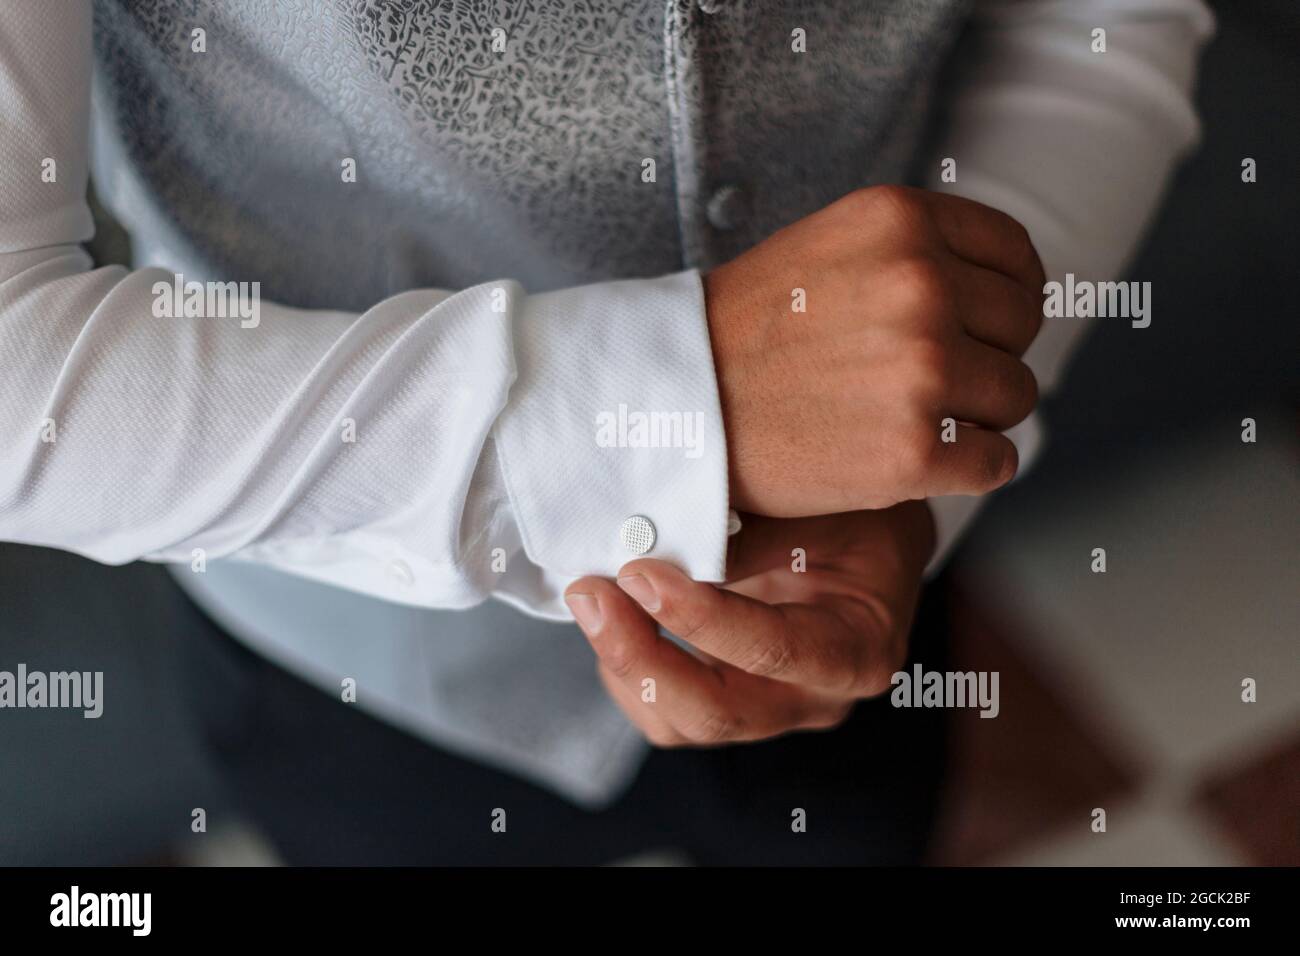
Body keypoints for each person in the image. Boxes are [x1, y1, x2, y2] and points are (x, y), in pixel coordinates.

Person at [0, 0, 1212, 863]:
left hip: (867, 587)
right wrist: (691, 408)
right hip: (359, 656)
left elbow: (1101, 24)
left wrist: (917, 458)